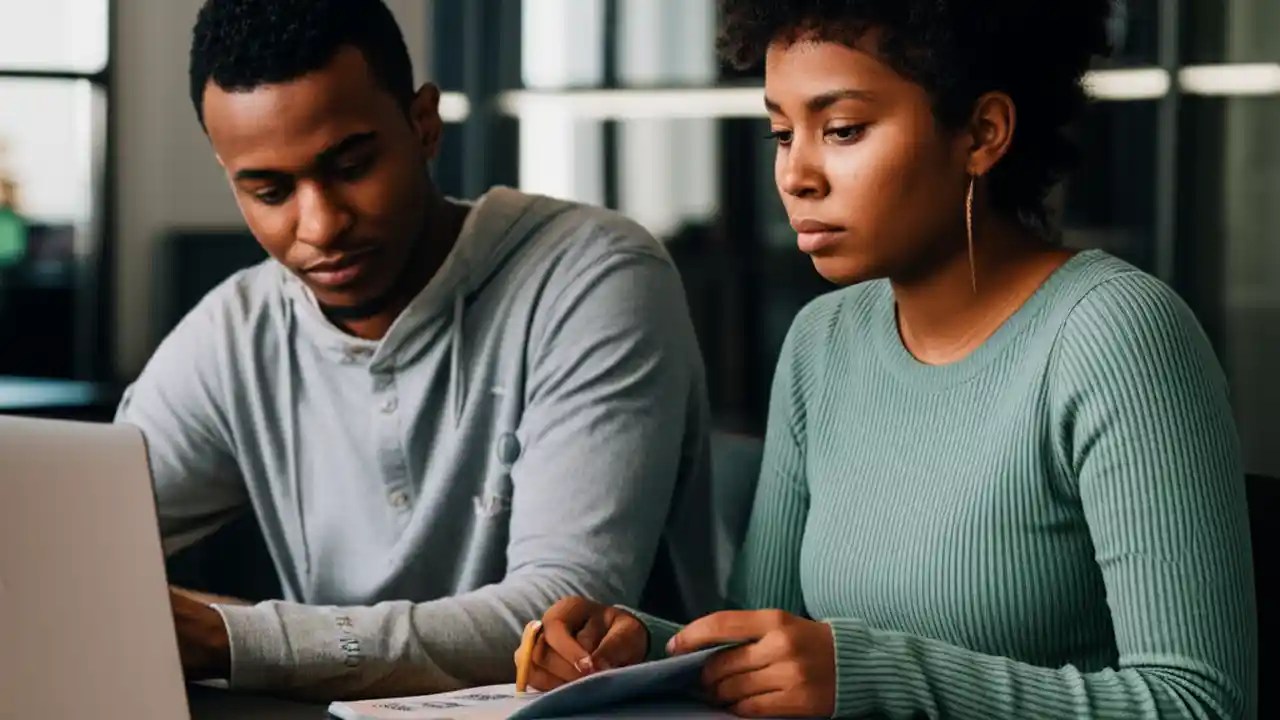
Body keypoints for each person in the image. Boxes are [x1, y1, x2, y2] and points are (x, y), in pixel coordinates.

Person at [527, 1, 1257, 718]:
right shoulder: (822, 343)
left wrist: (875, 675)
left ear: (982, 133)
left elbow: (1200, 702)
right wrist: (636, 648)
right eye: (782, 133)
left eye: (842, 130)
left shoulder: (1115, 335)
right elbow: (764, 641)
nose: (796, 175)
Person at [115, 0, 717, 702]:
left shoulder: (594, 275)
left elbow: (561, 618)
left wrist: (232, 637)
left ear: (423, 124)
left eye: (352, 166)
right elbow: (68, 545)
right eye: (270, 191)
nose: (321, 225)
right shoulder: (236, 332)